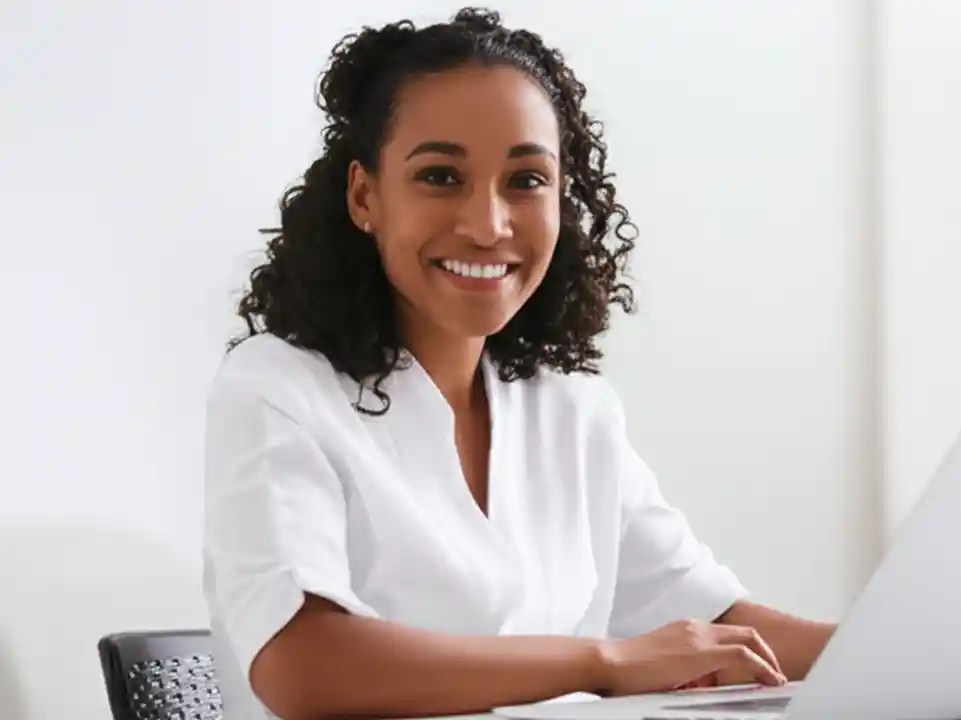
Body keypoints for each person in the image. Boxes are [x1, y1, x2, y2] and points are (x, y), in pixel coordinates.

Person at [203, 8, 835, 719]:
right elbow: (303, 666)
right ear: (364, 196)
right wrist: (603, 664)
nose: (487, 223)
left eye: (527, 180)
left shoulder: (572, 412)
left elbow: (724, 628)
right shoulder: (277, 389)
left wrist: (936, 652)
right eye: (440, 176)